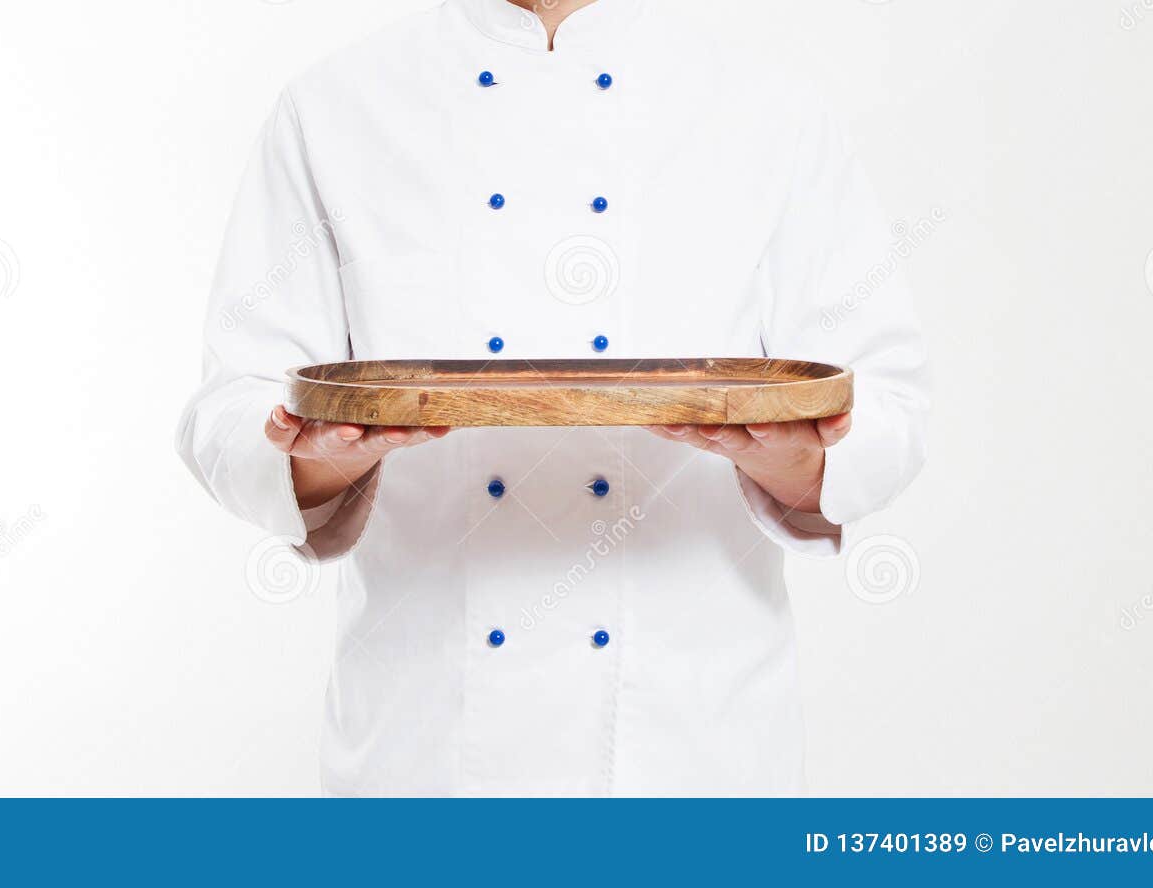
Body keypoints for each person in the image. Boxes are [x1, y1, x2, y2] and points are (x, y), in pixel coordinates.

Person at [178, 0, 927, 795]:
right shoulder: (335, 104)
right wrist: (317, 459)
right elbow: (230, 407)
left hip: (691, 750)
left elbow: (888, 406)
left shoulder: (770, 106)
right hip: (425, 751)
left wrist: (799, 460)